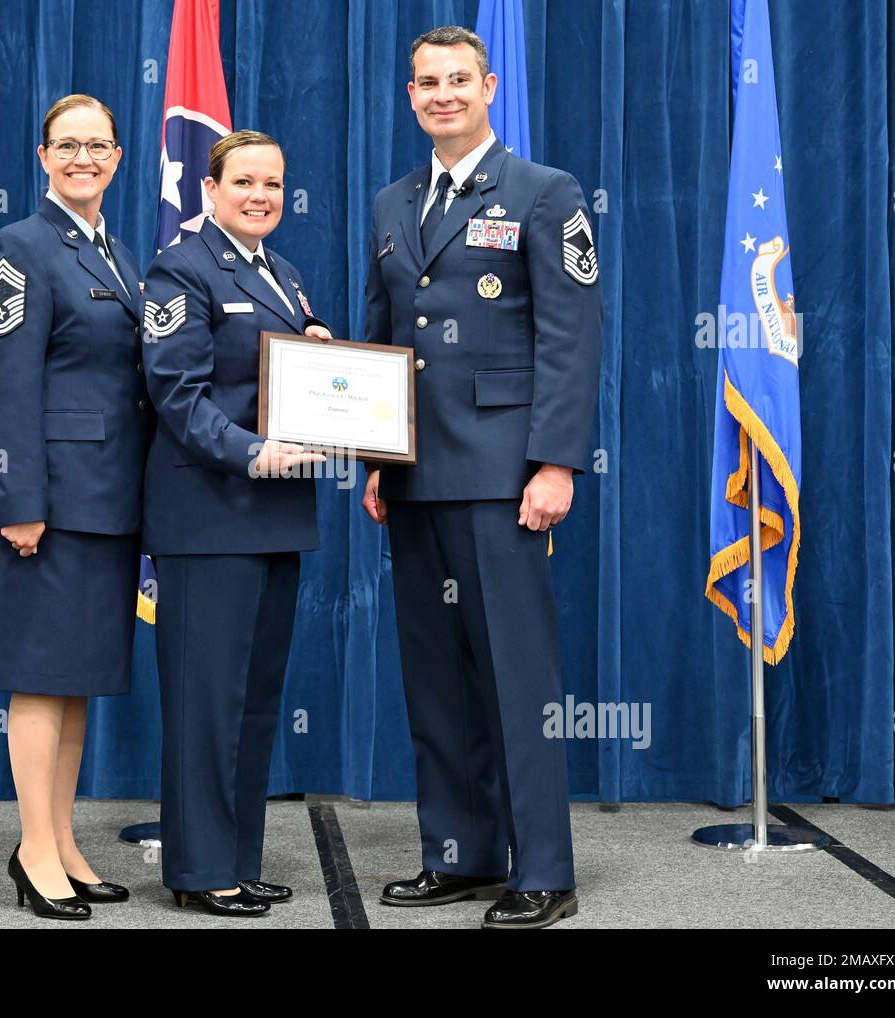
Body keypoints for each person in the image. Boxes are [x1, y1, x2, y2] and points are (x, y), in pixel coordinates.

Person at [363, 26, 602, 929]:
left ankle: (543, 867)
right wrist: (380, 458)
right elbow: (383, 337)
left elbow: (573, 341)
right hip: (417, 474)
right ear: (411, 95)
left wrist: (554, 462)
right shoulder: (392, 203)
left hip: (507, 476)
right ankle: (459, 854)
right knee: (436, 675)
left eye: (458, 79)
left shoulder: (546, 194)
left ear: (489, 86)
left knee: (517, 676)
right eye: (427, 82)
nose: (443, 95)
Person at [0, 94, 151, 920]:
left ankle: (63, 839)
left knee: (74, 682)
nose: (83, 158)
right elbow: (8, 387)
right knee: (40, 681)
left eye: (98, 145)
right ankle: (33, 851)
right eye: (67, 145)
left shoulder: (115, 252)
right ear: (43, 157)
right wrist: (16, 498)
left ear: (118, 158)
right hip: (47, 505)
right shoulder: (22, 246)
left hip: (107, 500)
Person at [141, 130, 330, 918]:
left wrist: (321, 355)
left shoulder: (283, 275)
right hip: (209, 515)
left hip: (275, 518)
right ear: (210, 191)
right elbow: (174, 395)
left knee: (253, 702)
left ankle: (238, 861)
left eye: (274, 184)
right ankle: (198, 871)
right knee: (205, 702)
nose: (260, 196)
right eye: (245, 181)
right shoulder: (179, 270)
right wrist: (253, 451)